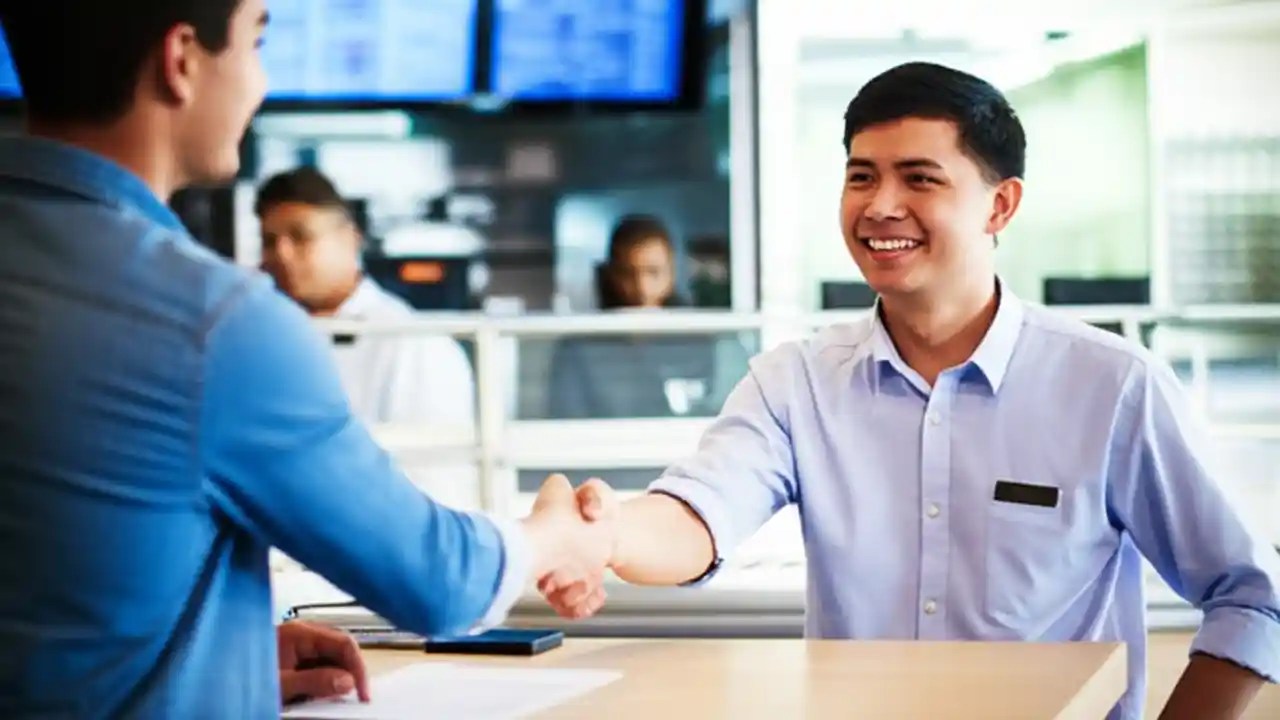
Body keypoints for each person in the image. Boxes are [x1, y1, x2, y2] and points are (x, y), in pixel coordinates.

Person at [541, 62, 1280, 719]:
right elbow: (699, 514)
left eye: (919, 179)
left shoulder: (1113, 385)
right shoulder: (797, 382)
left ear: (1000, 206)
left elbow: (1251, 597)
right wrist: (605, 533)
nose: (879, 205)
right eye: (862, 176)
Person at [0, 2, 605, 717]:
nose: (260, 83)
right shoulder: (215, 323)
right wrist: (552, 535)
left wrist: (228, 652)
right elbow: (439, 583)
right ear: (181, 60)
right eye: (255, 43)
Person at [256, 167, 476, 426]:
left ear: (350, 239)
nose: (282, 254)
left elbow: (432, 451)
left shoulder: (414, 345)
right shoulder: (258, 340)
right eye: (269, 241)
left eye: (301, 236)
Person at [547, 215, 748, 419]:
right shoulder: (580, 349)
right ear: (611, 275)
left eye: (654, 272)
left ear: (672, 272)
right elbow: (566, 424)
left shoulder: (703, 340)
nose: (642, 288)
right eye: (628, 274)